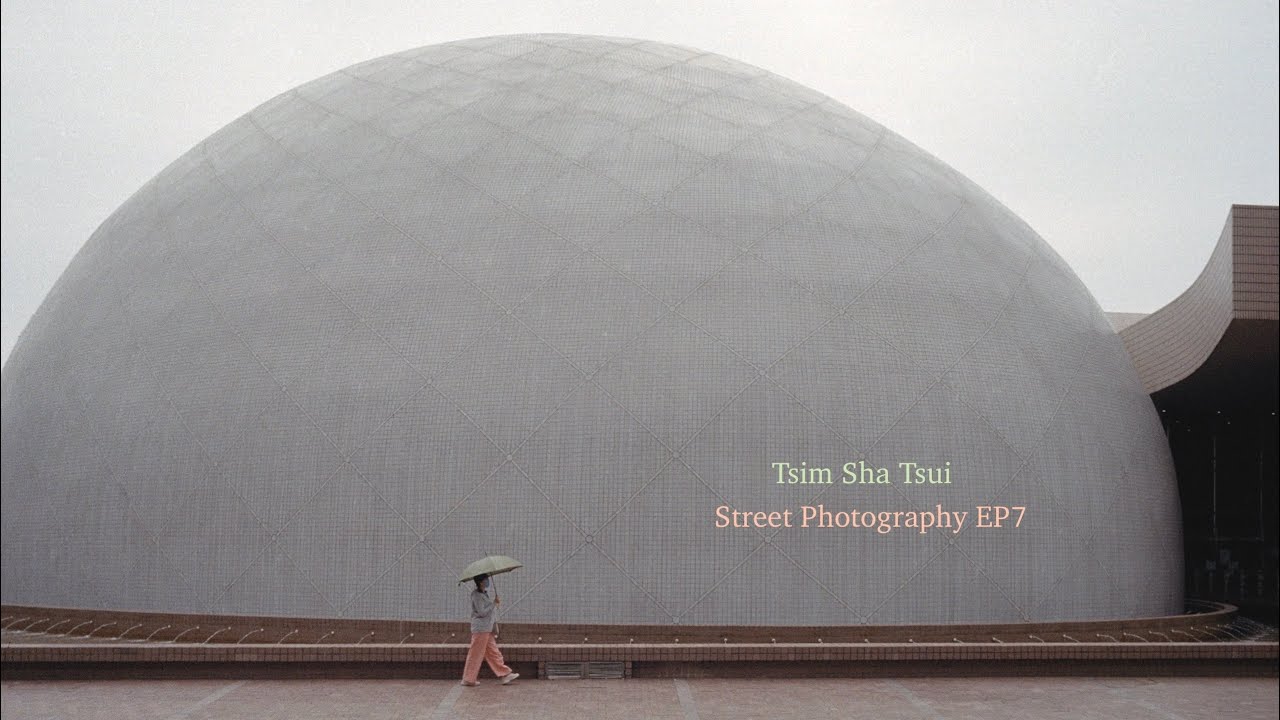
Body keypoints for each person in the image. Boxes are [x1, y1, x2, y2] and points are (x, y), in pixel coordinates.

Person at [461, 574, 519, 686]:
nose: (488, 581)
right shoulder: (476, 595)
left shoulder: (483, 594)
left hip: (487, 628)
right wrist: (493, 604)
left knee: (493, 652)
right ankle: (468, 679)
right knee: (476, 654)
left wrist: (494, 603)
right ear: (481, 582)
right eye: (486, 579)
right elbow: (482, 612)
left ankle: (504, 674)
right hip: (480, 628)